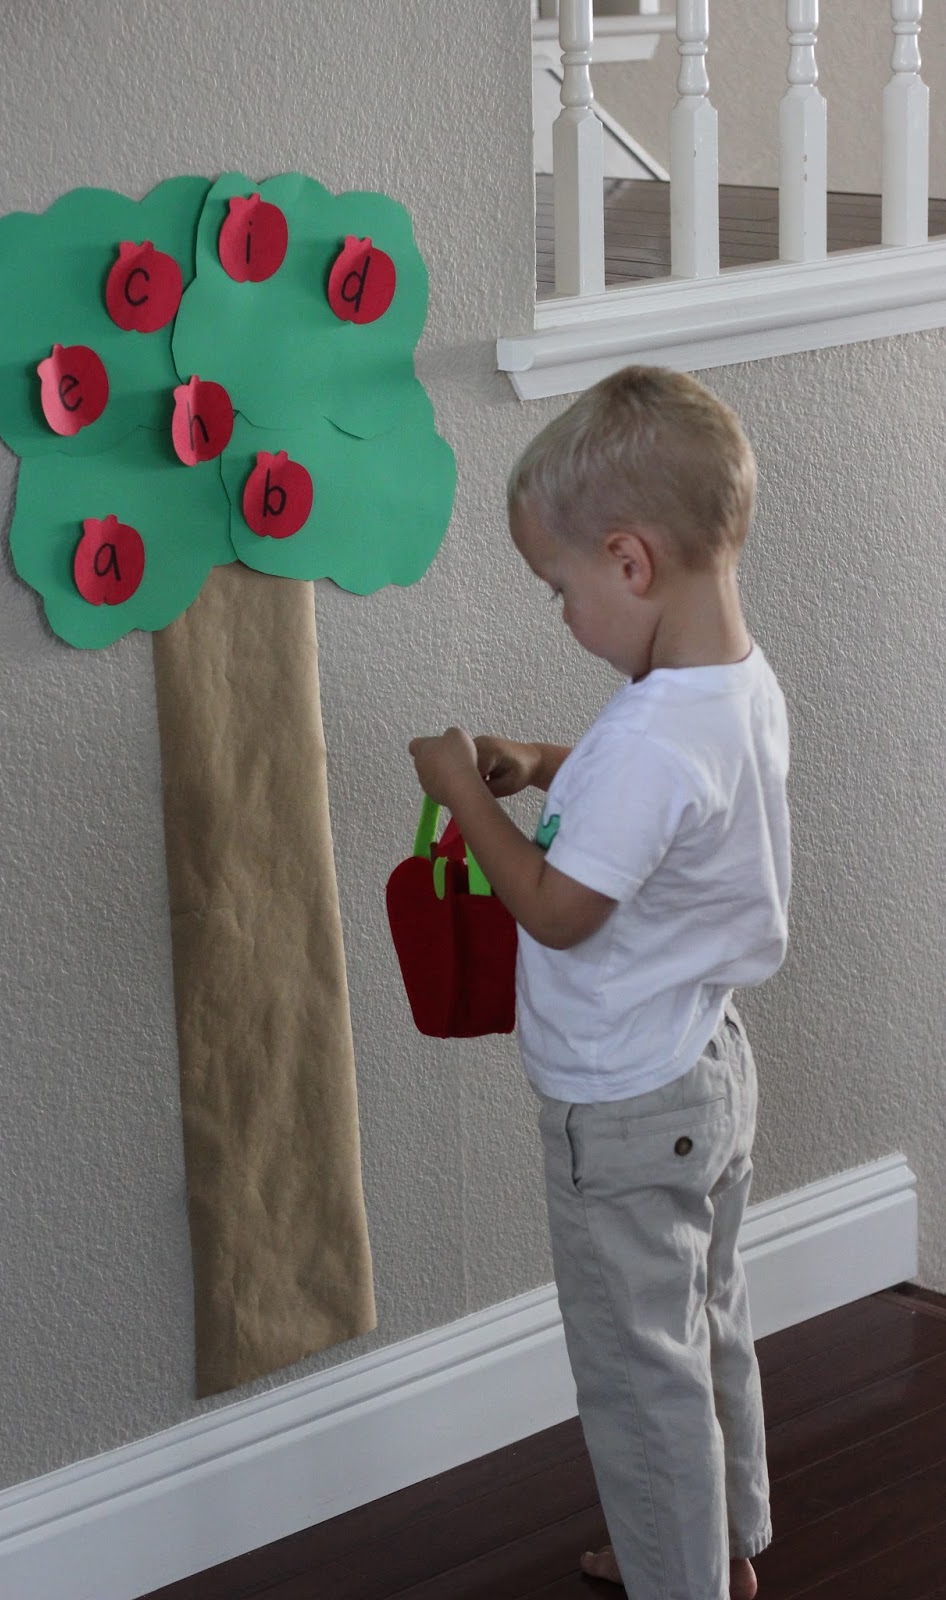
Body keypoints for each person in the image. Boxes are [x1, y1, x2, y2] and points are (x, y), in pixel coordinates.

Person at [408, 365, 791, 1600]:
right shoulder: (733, 688)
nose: (558, 612)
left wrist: (467, 793)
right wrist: (542, 761)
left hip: (623, 1107)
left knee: (639, 1373)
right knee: (707, 1323)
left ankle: (675, 1580)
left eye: (556, 588)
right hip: (706, 1068)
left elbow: (558, 912)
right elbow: (655, 793)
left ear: (629, 563)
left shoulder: (648, 738)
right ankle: (716, 1551)